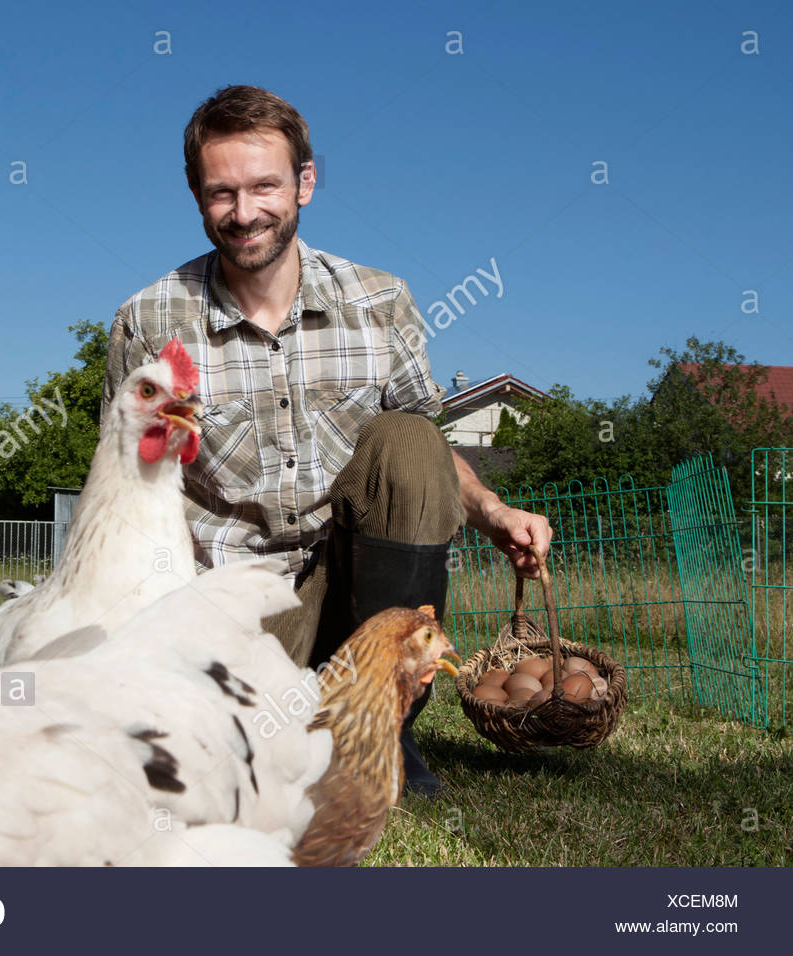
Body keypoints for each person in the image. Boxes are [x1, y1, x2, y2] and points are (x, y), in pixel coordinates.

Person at [103, 85, 552, 796]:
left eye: (264, 186)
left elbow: (427, 453)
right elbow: (124, 490)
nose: (245, 213)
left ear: (304, 183)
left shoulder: (381, 301)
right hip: (231, 604)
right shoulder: (148, 318)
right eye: (222, 192)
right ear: (196, 195)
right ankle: (279, 717)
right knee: (222, 765)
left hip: (353, 590)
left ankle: (379, 733)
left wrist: (494, 513)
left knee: (407, 435)